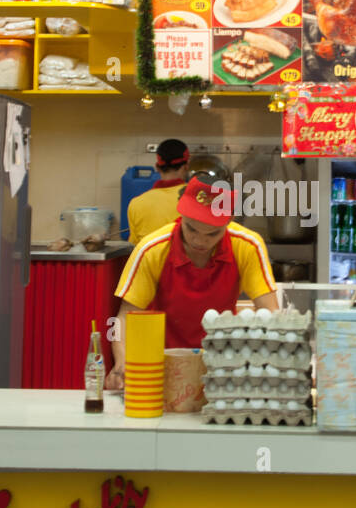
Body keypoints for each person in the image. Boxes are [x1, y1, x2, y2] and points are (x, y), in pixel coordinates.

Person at [105, 173, 278, 389]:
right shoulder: (152, 249)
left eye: (212, 234)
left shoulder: (248, 246)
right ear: (180, 214)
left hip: (221, 367)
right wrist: (122, 364)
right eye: (192, 229)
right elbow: (123, 319)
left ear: (228, 222)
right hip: (161, 364)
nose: (199, 240)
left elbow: (271, 316)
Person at [127, 138, 191, 245]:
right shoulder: (198, 198)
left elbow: (134, 246)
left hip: (150, 261)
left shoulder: (136, 204)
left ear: (157, 167)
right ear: (186, 166)